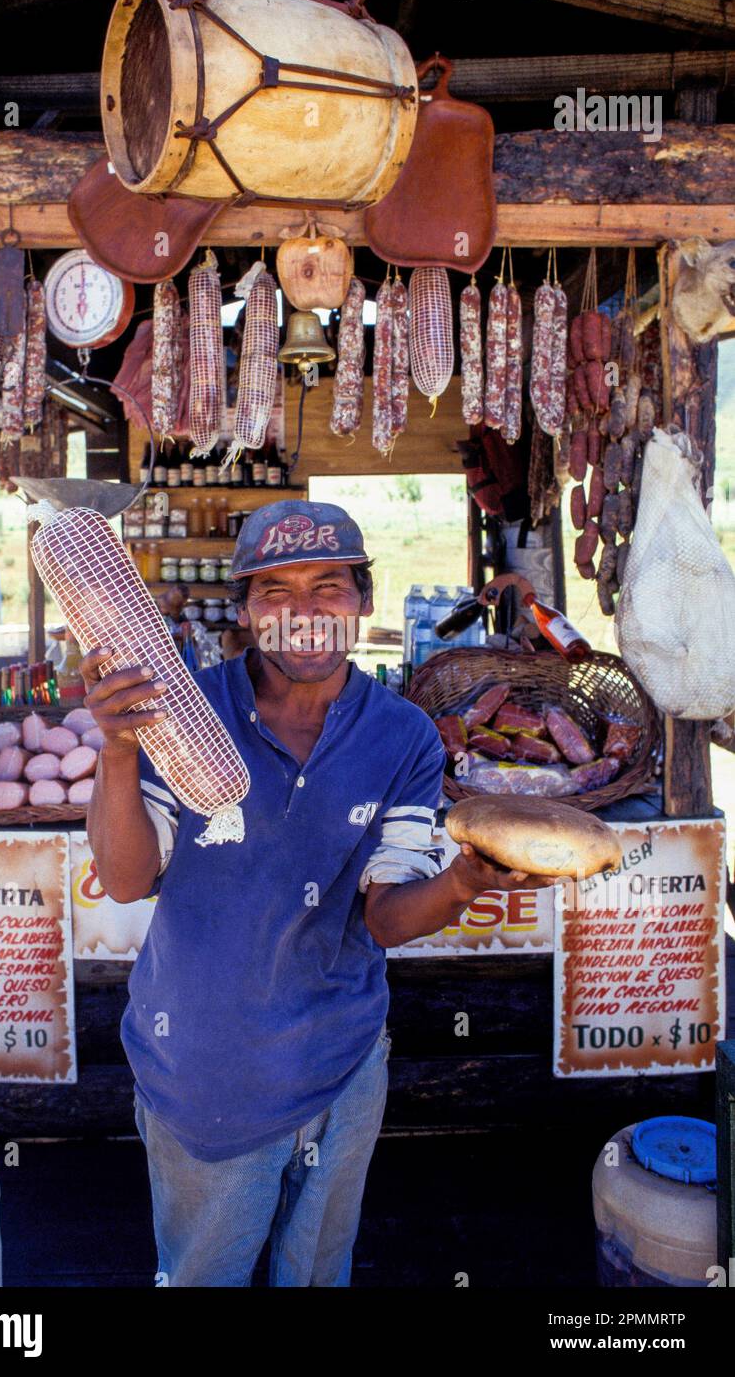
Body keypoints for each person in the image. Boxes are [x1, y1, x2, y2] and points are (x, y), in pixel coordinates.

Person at [81, 500, 555, 1287]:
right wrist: (119, 749)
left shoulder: (400, 734)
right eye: (273, 591)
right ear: (242, 613)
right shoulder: (180, 711)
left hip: (341, 1063)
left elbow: (386, 918)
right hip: (205, 1067)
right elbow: (129, 880)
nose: (302, 611)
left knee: (315, 1276)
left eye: (328, 586)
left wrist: (467, 879)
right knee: (206, 1276)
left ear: (364, 600)